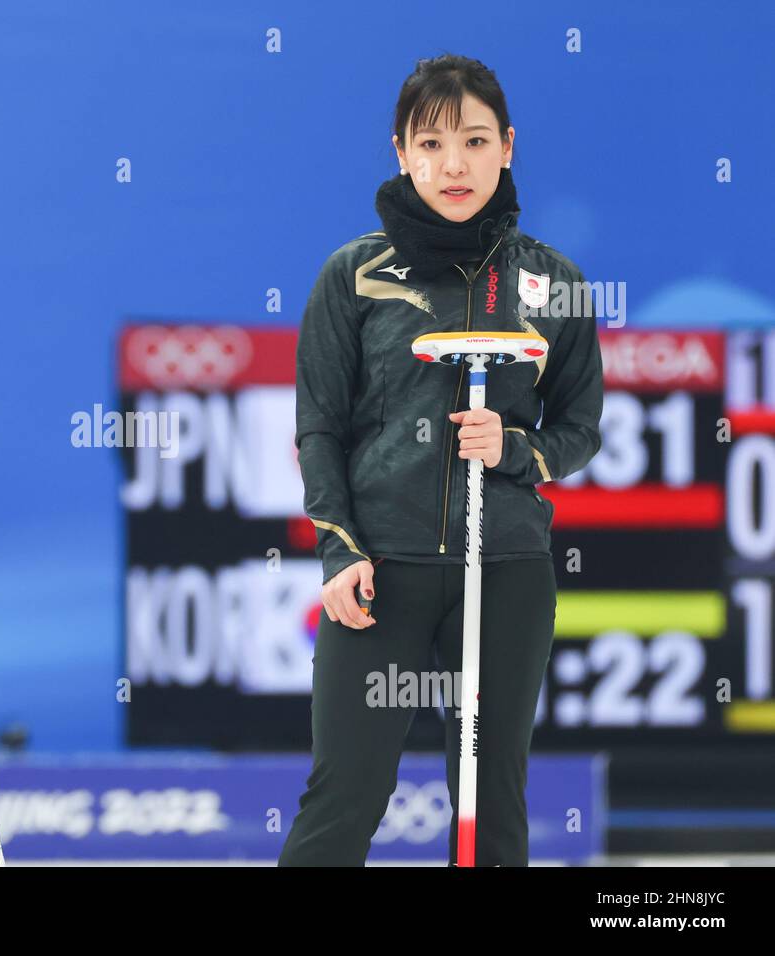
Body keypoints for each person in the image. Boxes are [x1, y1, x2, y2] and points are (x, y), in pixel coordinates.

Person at [278, 54, 604, 866]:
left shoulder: (553, 283)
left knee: (491, 805)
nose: (452, 164)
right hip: (379, 574)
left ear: (508, 146)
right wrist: (339, 550)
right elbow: (317, 429)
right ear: (400, 151)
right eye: (430, 144)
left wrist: (517, 449)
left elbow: (583, 427)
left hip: (507, 571)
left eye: (474, 139)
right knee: (342, 799)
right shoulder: (352, 277)